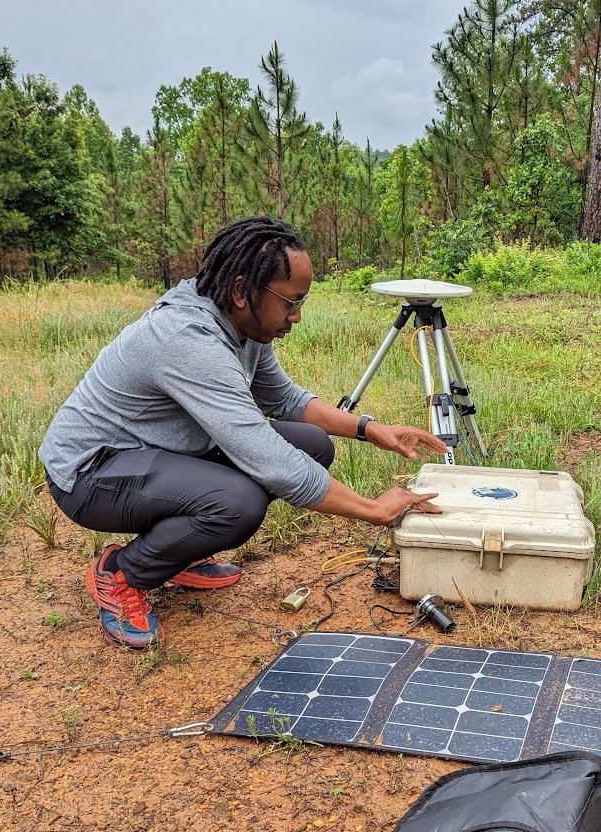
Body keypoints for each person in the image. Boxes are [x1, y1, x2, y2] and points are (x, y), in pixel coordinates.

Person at [40, 216, 446, 649]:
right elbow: (266, 457)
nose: (297, 316)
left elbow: (283, 399)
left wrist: (370, 429)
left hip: (155, 453)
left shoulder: (244, 323)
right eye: (291, 302)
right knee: (238, 504)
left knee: (311, 446)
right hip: (91, 473)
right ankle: (122, 573)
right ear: (241, 290)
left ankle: (176, 552)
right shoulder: (188, 341)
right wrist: (375, 510)